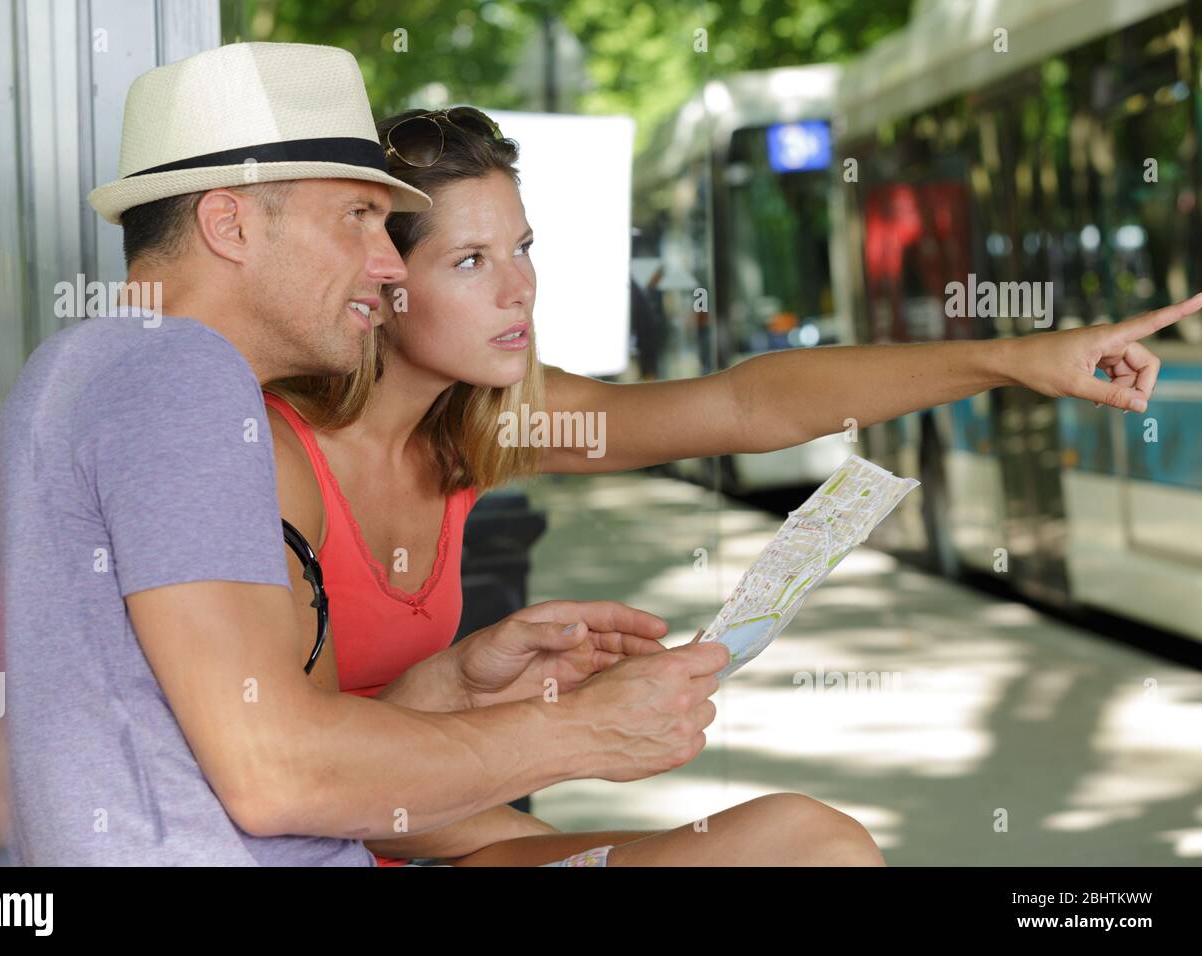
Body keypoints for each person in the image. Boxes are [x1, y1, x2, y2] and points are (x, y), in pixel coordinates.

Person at [0, 41, 880, 867]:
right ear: (228, 224)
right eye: (358, 219)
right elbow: (277, 776)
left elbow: (236, 738)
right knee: (808, 845)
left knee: (799, 839)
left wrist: (447, 687)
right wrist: (585, 733)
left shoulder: (79, 374)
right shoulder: (180, 374)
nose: (387, 267)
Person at [260, 104, 1199, 865]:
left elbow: (744, 408)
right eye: (470, 261)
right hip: (341, 844)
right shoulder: (273, 456)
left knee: (811, 844)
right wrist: (546, 733)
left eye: (524, 247)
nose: (520, 290)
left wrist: (1017, 358)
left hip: (440, 833)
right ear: (381, 284)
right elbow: (285, 773)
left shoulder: (483, 424)